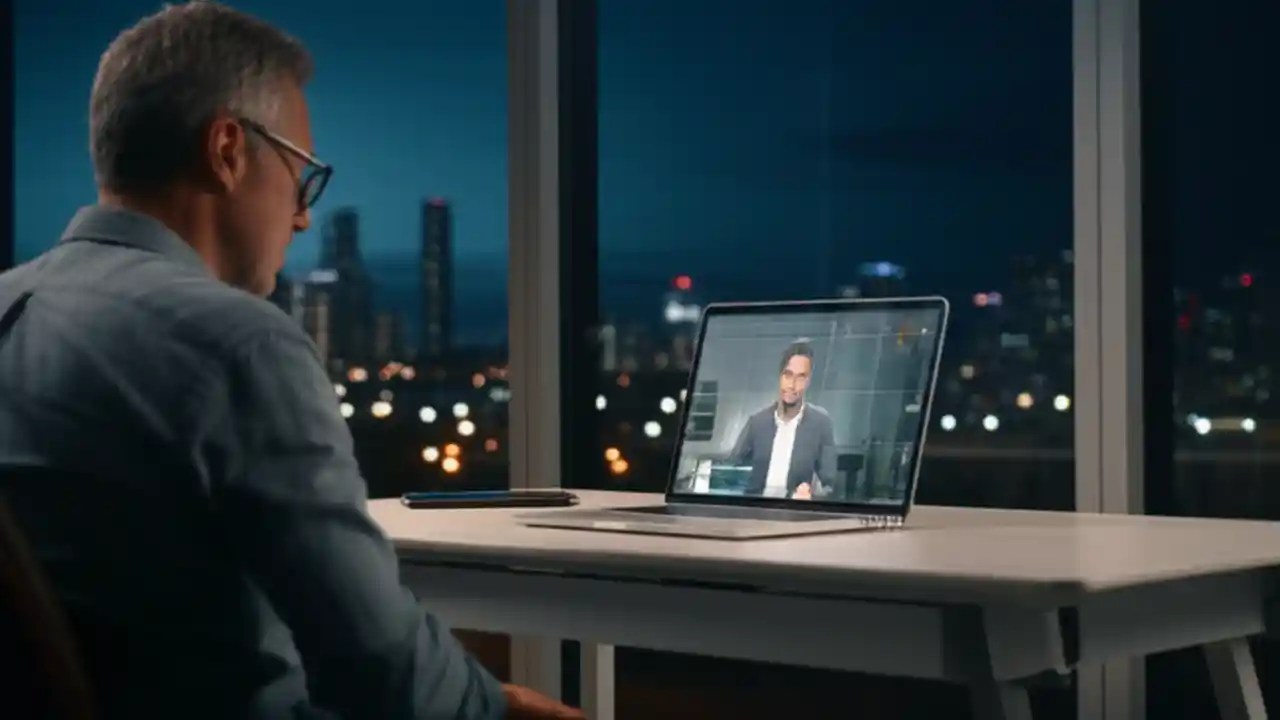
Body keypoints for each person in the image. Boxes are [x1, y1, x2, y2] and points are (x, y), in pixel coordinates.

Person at [0, 3, 582, 719]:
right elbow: (380, 669)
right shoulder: (236, 343)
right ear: (226, 150)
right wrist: (501, 708)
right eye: (301, 174)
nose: (303, 216)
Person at [727, 339, 838, 500]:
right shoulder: (757, 422)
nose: (792, 385)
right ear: (780, 376)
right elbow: (730, 471)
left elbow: (829, 485)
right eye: (788, 375)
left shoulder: (821, 423)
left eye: (801, 377)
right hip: (753, 512)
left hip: (793, 514)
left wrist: (812, 494)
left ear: (808, 381)